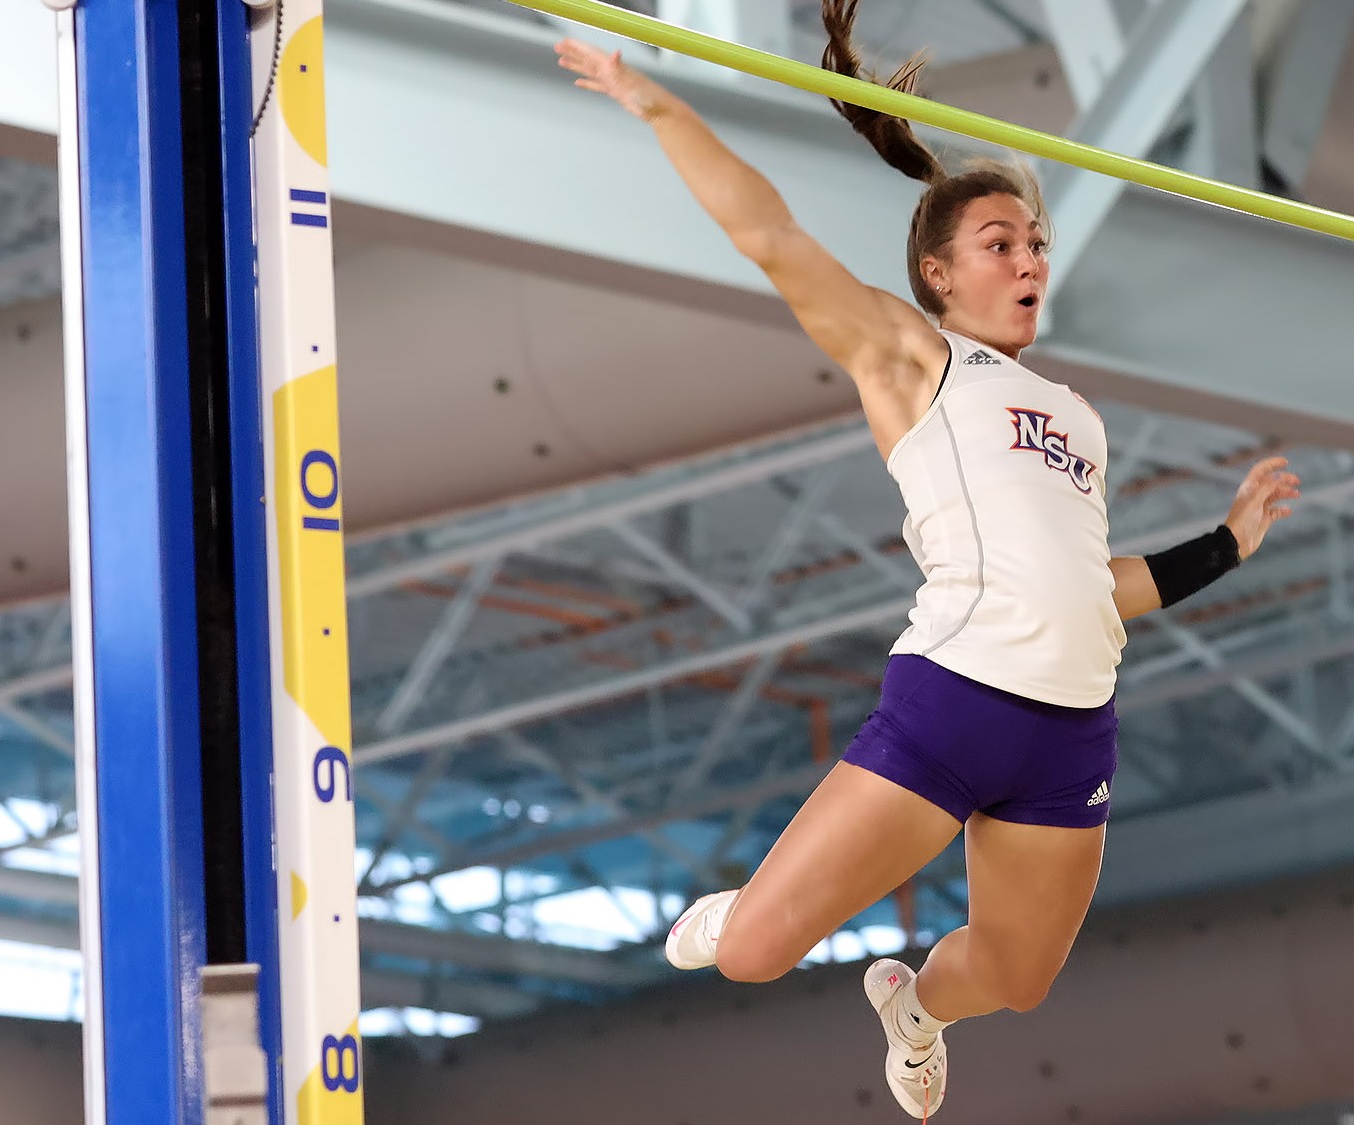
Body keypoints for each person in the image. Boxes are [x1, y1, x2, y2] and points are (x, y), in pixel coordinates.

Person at [556, 2, 1300, 1116]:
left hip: (1070, 727)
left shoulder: (1074, 418)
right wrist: (653, 101)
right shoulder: (911, 360)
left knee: (1018, 978)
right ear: (937, 275)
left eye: (1036, 244)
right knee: (754, 957)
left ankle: (914, 1009)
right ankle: (742, 911)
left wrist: (1226, 544)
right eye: (1000, 245)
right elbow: (769, 239)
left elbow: (1093, 591)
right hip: (955, 703)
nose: (1028, 260)